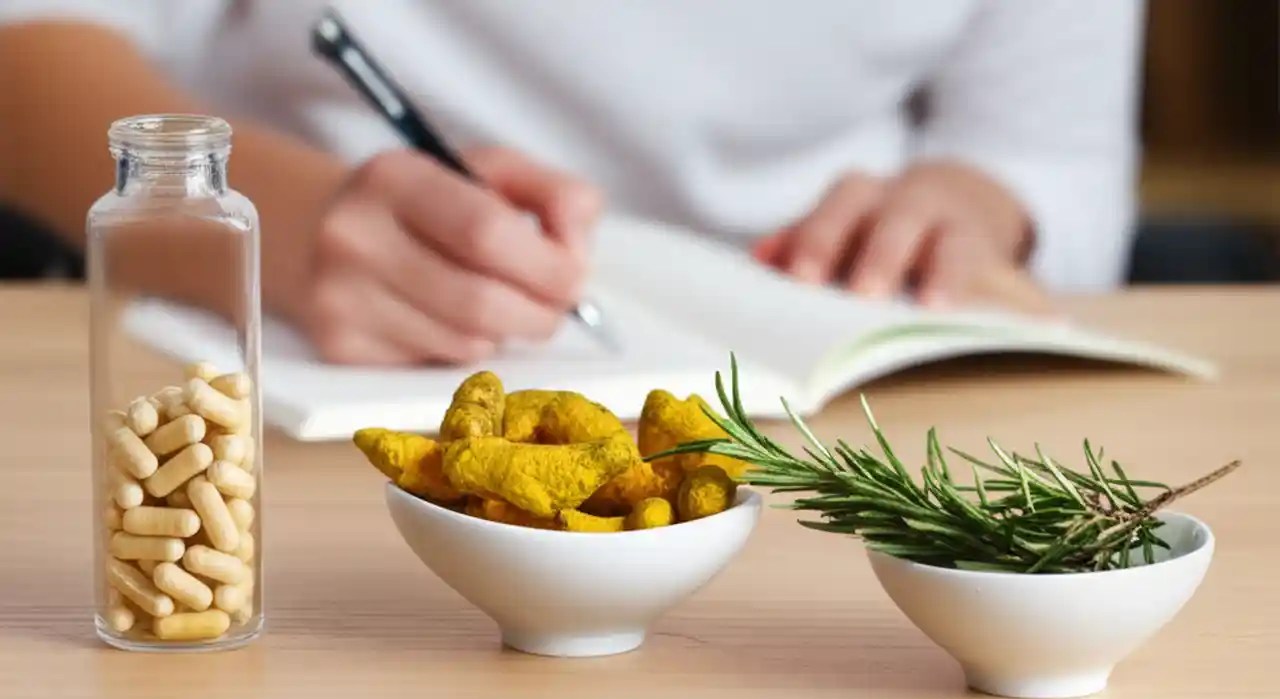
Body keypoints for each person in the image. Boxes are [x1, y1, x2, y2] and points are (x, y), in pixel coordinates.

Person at [0, 1, 1143, 365]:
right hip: (309, 342)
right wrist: (283, 227)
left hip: (837, 352)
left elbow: (1055, 155)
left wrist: (970, 205)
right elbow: (31, 44)